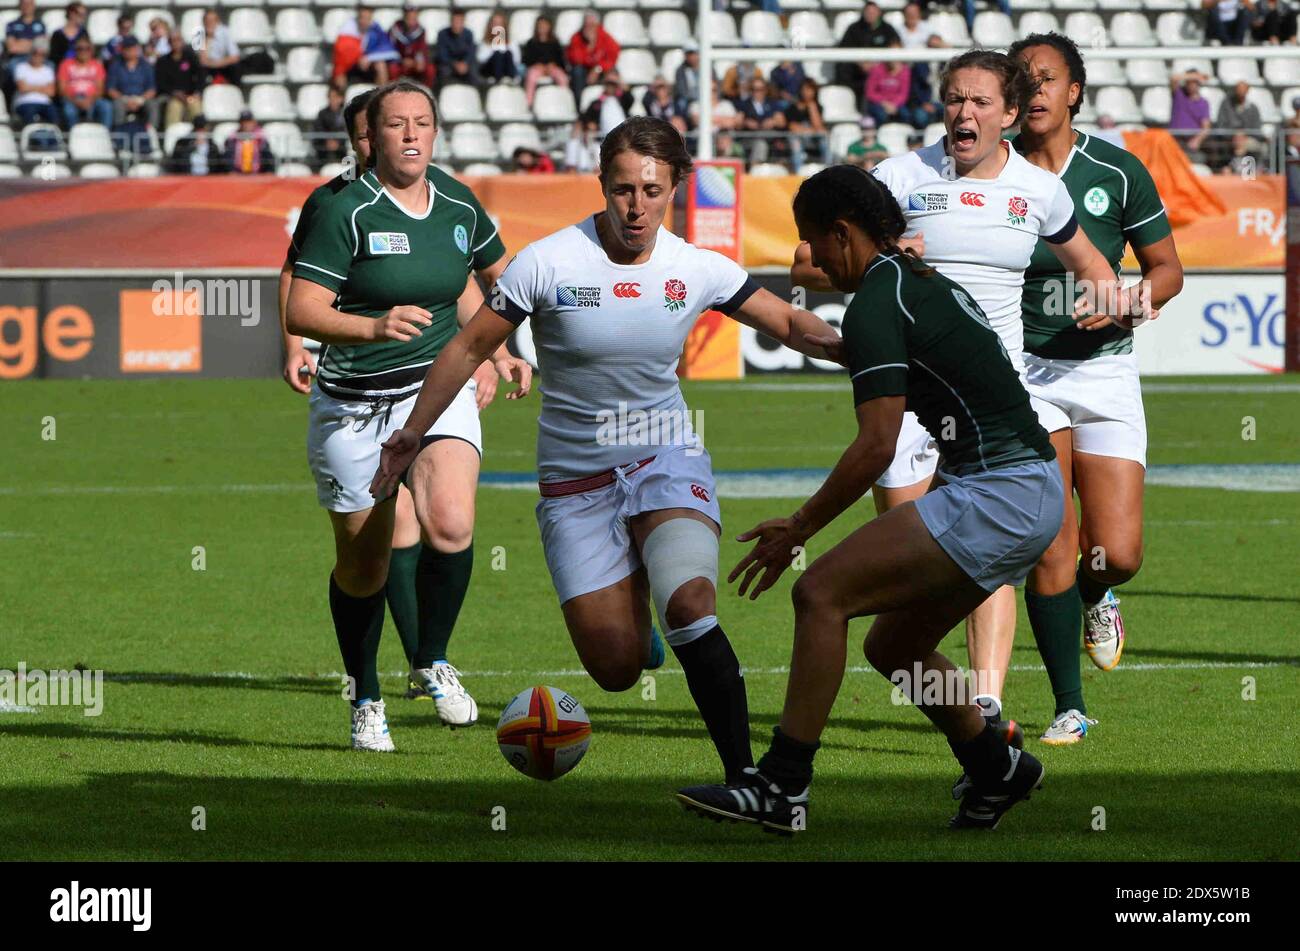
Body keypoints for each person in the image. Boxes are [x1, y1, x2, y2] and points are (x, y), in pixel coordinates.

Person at [371, 116, 845, 785]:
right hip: (574, 481)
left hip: (665, 458)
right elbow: (468, 346)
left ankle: (751, 781)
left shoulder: (698, 267)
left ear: (674, 185)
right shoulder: (547, 262)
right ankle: (637, 623)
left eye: (652, 189)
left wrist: (868, 351)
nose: (637, 205)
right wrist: (412, 433)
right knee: (617, 668)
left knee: (689, 605)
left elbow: (792, 322)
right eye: (623, 188)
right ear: (601, 183)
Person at [674, 166, 1064, 833]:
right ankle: (995, 766)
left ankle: (783, 784)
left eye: (814, 244)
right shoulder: (915, 281)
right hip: (1027, 489)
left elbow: (877, 444)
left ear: (843, 232)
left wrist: (798, 526)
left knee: (819, 593)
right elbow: (901, 358)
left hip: (999, 491)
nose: (814, 261)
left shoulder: (883, 296)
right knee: (896, 645)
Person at [791, 49, 1140, 770]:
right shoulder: (898, 178)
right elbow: (808, 260)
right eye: (953, 99)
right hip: (909, 398)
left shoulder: (1039, 190)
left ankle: (985, 708)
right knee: (908, 583)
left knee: (995, 554)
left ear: (1009, 113)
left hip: (996, 400)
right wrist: (891, 250)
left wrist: (1114, 304)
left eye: (979, 101)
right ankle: (979, 740)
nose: (963, 113)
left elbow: (1097, 271)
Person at [286, 80, 530, 750]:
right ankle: (365, 694)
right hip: (353, 404)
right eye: (398, 124)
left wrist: (500, 347)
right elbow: (300, 310)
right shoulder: (343, 210)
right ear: (374, 134)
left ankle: (431, 659)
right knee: (364, 568)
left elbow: (500, 279)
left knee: (450, 520)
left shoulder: (456, 199)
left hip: (435, 387)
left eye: (424, 122)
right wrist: (371, 327)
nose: (412, 135)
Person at [1010, 33, 1184, 743]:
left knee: (1118, 551)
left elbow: (1168, 270)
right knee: (1051, 541)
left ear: (1075, 90)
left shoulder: (1116, 169)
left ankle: (1097, 593)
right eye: (1023, 81)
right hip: (1023, 375)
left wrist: (1128, 301)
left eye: (1048, 79)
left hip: (1106, 370)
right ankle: (1069, 706)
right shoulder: (991, 172)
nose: (1036, 92)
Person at [835, 2, 900, 90]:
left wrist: (876, 64)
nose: (870, 15)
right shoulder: (854, 28)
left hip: (881, 67)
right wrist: (860, 62)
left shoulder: (887, 29)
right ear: (864, 13)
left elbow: (895, 47)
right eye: (868, 12)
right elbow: (844, 49)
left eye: (873, 12)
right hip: (857, 68)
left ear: (879, 13)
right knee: (843, 68)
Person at [106, 36, 158, 137]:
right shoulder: (116, 66)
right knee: (117, 105)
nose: (130, 51)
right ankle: (119, 138)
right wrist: (125, 100)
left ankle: (152, 136)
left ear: (137, 49)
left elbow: (152, 89)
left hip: (141, 98)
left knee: (153, 105)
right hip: (123, 98)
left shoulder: (146, 66)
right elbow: (111, 89)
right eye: (127, 49)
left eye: (133, 48)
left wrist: (140, 100)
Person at [58, 35, 112, 128]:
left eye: (87, 48)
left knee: (106, 106)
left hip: (92, 98)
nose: (83, 51)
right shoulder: (66, 64)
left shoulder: (97, 65)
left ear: (91, 50)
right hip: (72, 99)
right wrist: (76, 101)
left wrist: (89, 100)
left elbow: (100, 89)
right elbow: (62, 90)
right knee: (69, 111)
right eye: (80, 48)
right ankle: (74, 139)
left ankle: (105, 137)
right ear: (75, 50)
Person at [1211, 80, 1265, 171]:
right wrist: (1234, 135)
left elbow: (1257, 129)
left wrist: (1244, 136)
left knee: (1258, 147)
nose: (1240, 93)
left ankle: (1248, 175)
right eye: (1238, 90)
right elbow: (1221, 124)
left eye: (1243, 90)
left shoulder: (1253, 108)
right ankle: (1229, 171)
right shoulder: (1226, 104)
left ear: (1247, 91)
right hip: (1228, 139)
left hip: (1248, 139)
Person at [335, 6, 397, 86]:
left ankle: (381, 93)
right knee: (340, 75)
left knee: (380, 65)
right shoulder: (347, 32)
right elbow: (342, 54)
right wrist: (359, 58)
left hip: (369, 66)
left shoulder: (376, 30)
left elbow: (387, 49)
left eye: (367, 18)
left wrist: (369, 58)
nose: (364, 21)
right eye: (362, 17)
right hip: (352, 66)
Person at [155, 29, 203, 130]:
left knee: (195, 106)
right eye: (173, 40)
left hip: (190, 95)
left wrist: (197, 92)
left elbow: (200, 76)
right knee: (174, 107)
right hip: (172, 96)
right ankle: (171, 140)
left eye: (178, 40)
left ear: (182, 41)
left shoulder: (191, 58)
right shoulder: (163, 61)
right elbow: (161, 83)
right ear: (169, 43)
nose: (176, 43)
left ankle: (199, 137)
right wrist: (174, 93)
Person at [565, 9, 619, 96]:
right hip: (584, 70)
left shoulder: (605, 37)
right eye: (586, 25)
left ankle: (614, 100)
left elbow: (612, 57)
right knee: (577, 71)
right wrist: (590, 47)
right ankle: (580, 103)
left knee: (613, 73)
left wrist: (597, 68)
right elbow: (575, 59)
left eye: (592, 25)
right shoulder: (576, 38)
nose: (588, 28)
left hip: (600, 69)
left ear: (597, 25)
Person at [522, 14, 567, 108]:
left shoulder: (555, 43)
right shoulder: (531, 43)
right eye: (540, 25)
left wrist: (553, 65)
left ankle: (564, 102)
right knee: (531, 77)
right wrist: (537, 65)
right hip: (537, 69)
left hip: (552, 69)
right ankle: (528, 104)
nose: (542, 28)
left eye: (545, 25)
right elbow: (526, 60)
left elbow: (561, 61)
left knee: (562, 78)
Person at [863, 42, 912, 127]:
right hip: (879, 104)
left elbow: (903, 94)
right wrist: (884, 103)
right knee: (880, 115)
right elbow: (870, 92)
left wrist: (894, 104)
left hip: (896, 104)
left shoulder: (905, 71)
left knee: (906, 114)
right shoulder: (877, 69)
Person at [12, 35, 57, 126]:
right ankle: (38, 140)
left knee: (54, 118)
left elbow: (51, 92)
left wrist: (30, 87)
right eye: (35, 53)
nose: (38, 56)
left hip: (44, 103)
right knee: (30, 116)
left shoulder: (48, 70)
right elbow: (22, 88)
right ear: (31, 53)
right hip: (25, 102)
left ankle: (50, 140)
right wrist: (42, 88)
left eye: (42, 54)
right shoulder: (21, 67)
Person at [1169, 69, 1213, 162]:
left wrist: (1197, 140)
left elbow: (1206, 127)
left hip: (1191, 142)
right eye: (1189, 82)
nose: (1191, 85)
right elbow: (1173, 78)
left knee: (1199, 158)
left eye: (1194, 82)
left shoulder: (1203, 103)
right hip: (1175, 140)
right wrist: (1195, 76)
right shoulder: (1179, 94)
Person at [389, 4, 434, 89]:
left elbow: (422, 49)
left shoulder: (421, 31)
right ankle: (392, 91)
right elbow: (390, 48)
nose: (411, 21)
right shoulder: (395, 29)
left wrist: (418, 61)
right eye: (408, 18)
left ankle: (427, 91)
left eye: (414, 18)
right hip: (400, 62)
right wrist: (401, 60)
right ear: (404, 17)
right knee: (392, 69)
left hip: (414, 63)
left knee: (430, 69)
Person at [436, 8, 479, 88]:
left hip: (464, 65)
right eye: (455, 21)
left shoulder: (469, 34)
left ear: (463, 22)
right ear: (451, 21)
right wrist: (455, 64)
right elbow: (442, 55)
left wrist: (465, 63)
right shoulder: (442, 34)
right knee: (443, 71)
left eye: (459, 22)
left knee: (474, 71)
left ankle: (475, 94)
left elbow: (471, 52)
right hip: (449, 64)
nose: (457, 24)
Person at [581, 69, 632, 137]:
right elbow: (586, 117)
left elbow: (630, 98)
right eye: (608, 84)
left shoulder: (623, 100)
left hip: (623, 136)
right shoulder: (597, 103)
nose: (610, 87)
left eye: (613, 84)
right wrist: (590, 124)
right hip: (602, 137)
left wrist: (618, 80)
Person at [199, 9, 241, 86]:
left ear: (217, 21)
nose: (210, 23)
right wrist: (208, 38)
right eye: (207, 21)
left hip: (223, 66)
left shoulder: (226, 32)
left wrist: (217, 63)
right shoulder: (200, 35)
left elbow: (235, 56)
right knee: (200, 71)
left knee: (236, 67)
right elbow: (203, 60)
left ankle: (236, 91)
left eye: (212, 20)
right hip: (210, 68)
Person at [224, 108, 273, 173]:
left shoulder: (261, 138)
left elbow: (268, 157)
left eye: (248, 121)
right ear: (240, 123)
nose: (246, 124)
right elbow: (228, 157)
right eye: (243, 122)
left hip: (258, 174)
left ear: (254, 122)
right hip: (238, 174)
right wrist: (231, 170)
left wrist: (267, 171)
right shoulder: (232, 138)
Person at [476, 11, 519, 84]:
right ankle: (498, 79)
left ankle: (511, 78)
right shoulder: (485, 43)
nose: (497, 27)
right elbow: (481, 59)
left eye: (500, 24)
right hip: (489, 71)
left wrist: (502, 46)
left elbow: (516, 60)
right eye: (495, 24)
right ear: (491, 26)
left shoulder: (512, 43)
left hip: (507, 69)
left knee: (508, 53)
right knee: (497, 54)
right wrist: (495, 47)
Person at [313, 85, 348, 165]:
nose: (332, 100)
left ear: (341, 99)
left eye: (335, 97)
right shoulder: (322, 114)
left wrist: (338, 142)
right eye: (330, 97)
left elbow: (346, 130)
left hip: (342, 150)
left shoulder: (346, 113)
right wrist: (327, 141)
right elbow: (319, 130)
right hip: (324, 150)